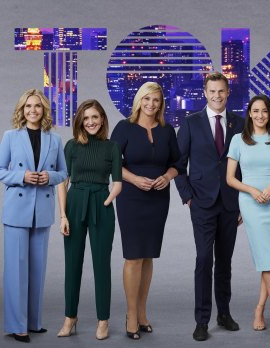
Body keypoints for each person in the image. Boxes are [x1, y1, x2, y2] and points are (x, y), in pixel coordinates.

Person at [174, 72, 245, 342]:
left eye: (221, 91)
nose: (217, 96)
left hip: (230, 202)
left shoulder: (239, 123)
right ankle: (201, 320)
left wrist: (242, 202)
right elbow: (178, 164)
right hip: (201, 202)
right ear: (205, 93)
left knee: (224, 261)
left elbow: (244, 165)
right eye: (212, 91)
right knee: (204, 259)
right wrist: (187, 196)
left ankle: (224, 314)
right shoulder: (191, 123)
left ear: (228, 93)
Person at [0, 89, 67, 343]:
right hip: (17, 210)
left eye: (37, 106)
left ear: (44, 110)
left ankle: (33, 322)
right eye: (28, 106)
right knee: (16, 269)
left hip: (42, 211)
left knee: (37, 269)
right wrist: (21, 177)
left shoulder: (54, 139)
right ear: (22, 110)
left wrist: (50, 177)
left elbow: (63, 173)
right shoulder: (10, 136)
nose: (32, 110)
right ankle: (17, 325)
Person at [110, 82, 182, 340]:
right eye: (147, 99)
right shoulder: (124, 128)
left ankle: (142, 313)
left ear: (161, 104)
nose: (152, 105)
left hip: (158, 199)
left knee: (149, 255)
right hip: (131, 198)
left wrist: (168, 176)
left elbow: (178, 163)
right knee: (134, 257)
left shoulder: (167, 130)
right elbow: (112, 162)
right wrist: (133, 179)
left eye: (157, 101)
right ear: (139, 100)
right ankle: (130, 315)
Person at [57, 99, 122, 340]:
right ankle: (69, 317)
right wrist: (63, 215)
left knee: (101, 265)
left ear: (102, 119)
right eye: (86, 118)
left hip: (101, 204)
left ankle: (103, 320)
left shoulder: (112, 147)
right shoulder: (71, 146)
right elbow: (62, 182)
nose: (91, 122)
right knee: (72, 264)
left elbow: (118, 181)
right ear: (80, 122)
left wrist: (107, 200)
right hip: (74, 203)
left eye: (95, 117)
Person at [226, 95, 270, 334]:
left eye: (264, 111)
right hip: (251, 204)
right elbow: (230, 178)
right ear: (249, 114)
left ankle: (259, 308)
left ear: (269, 114)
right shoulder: (238, 140)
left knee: (268, 259)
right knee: (267, 260)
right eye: (256, 111)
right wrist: (252, 190)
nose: (260, 115)